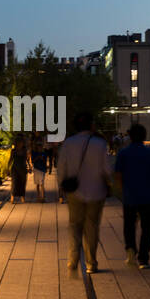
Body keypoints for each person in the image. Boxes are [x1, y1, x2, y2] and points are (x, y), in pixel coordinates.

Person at [57, 111, 113, 274]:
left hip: (75, 191)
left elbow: (61, 167)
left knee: (75, 224)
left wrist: (62, 185)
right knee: (92, 227)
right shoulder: (100, 144)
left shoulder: (69, 143)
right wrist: (109, 183)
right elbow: (106, 169)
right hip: (96, 192)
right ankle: (91, 263)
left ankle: (73, 259)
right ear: (90, 125)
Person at [113, 123, 150, 268]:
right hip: (148, 196)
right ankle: (143, 258)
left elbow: (118, 174)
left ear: (130, 136)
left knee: (129, 225)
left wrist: (122, 189)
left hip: (130, 196)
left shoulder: (123, 153)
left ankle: (130, 249)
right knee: (147, 227)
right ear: (144, 136)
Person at [9, 135, 29, 203]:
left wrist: (29, 167)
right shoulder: (13, 151)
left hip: (23, 168)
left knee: (22, 183)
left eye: (21, 142)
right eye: (18, 142)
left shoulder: (24, 150)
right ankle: (12, 197)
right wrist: (8, 167)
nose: (20, 144)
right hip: (15, 168)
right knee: (14, 183)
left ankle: (22, 197)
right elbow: (10, 159)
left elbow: (27, 159)